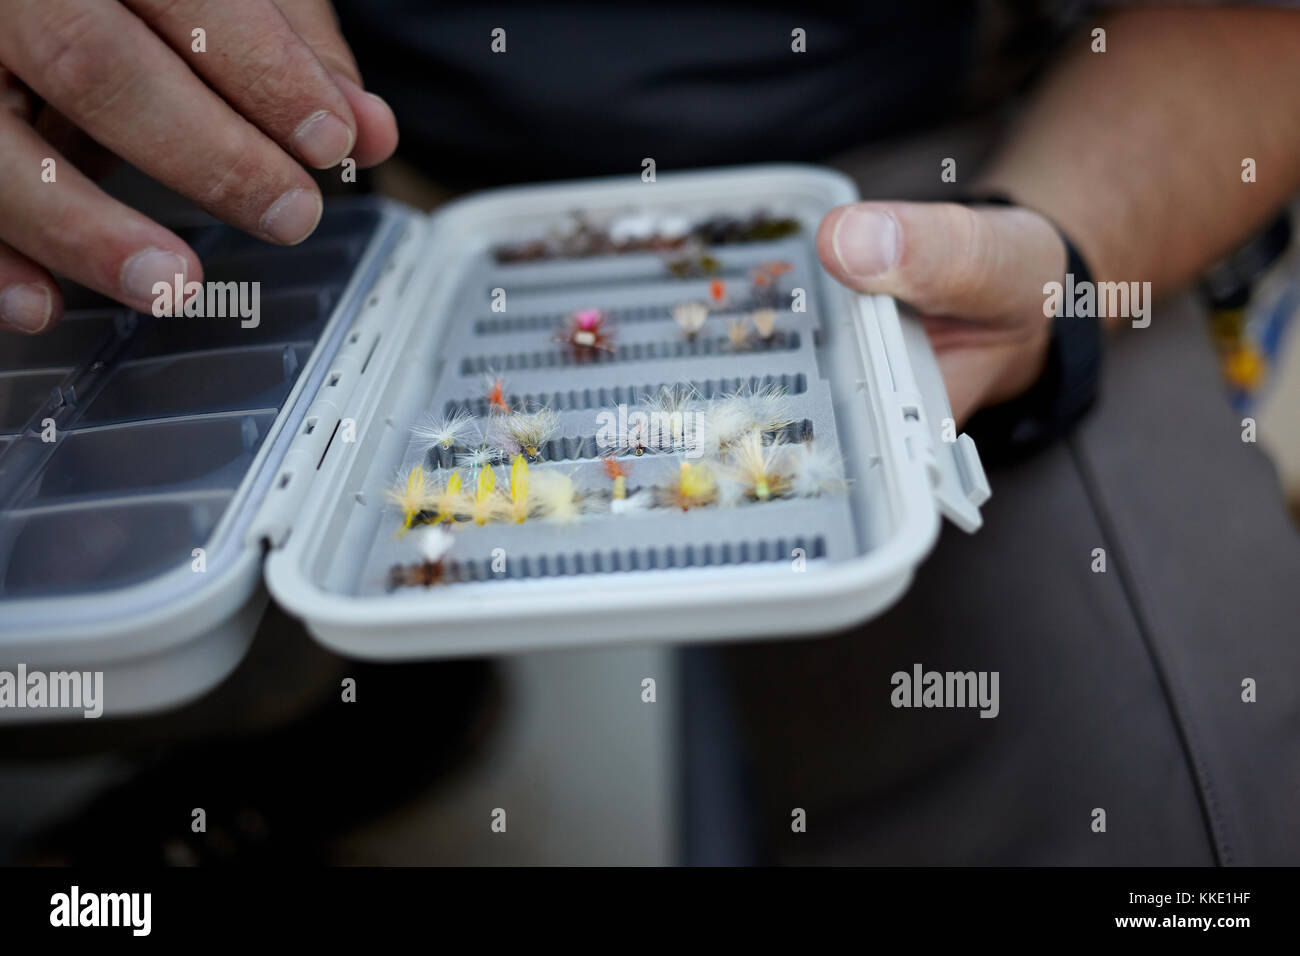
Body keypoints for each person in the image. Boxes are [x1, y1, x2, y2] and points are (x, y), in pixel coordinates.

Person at [1, 1, 1298, 864]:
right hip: (290, 156)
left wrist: (1059, 266)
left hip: (944, 148)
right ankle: (362, 714)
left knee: (1158, 816)